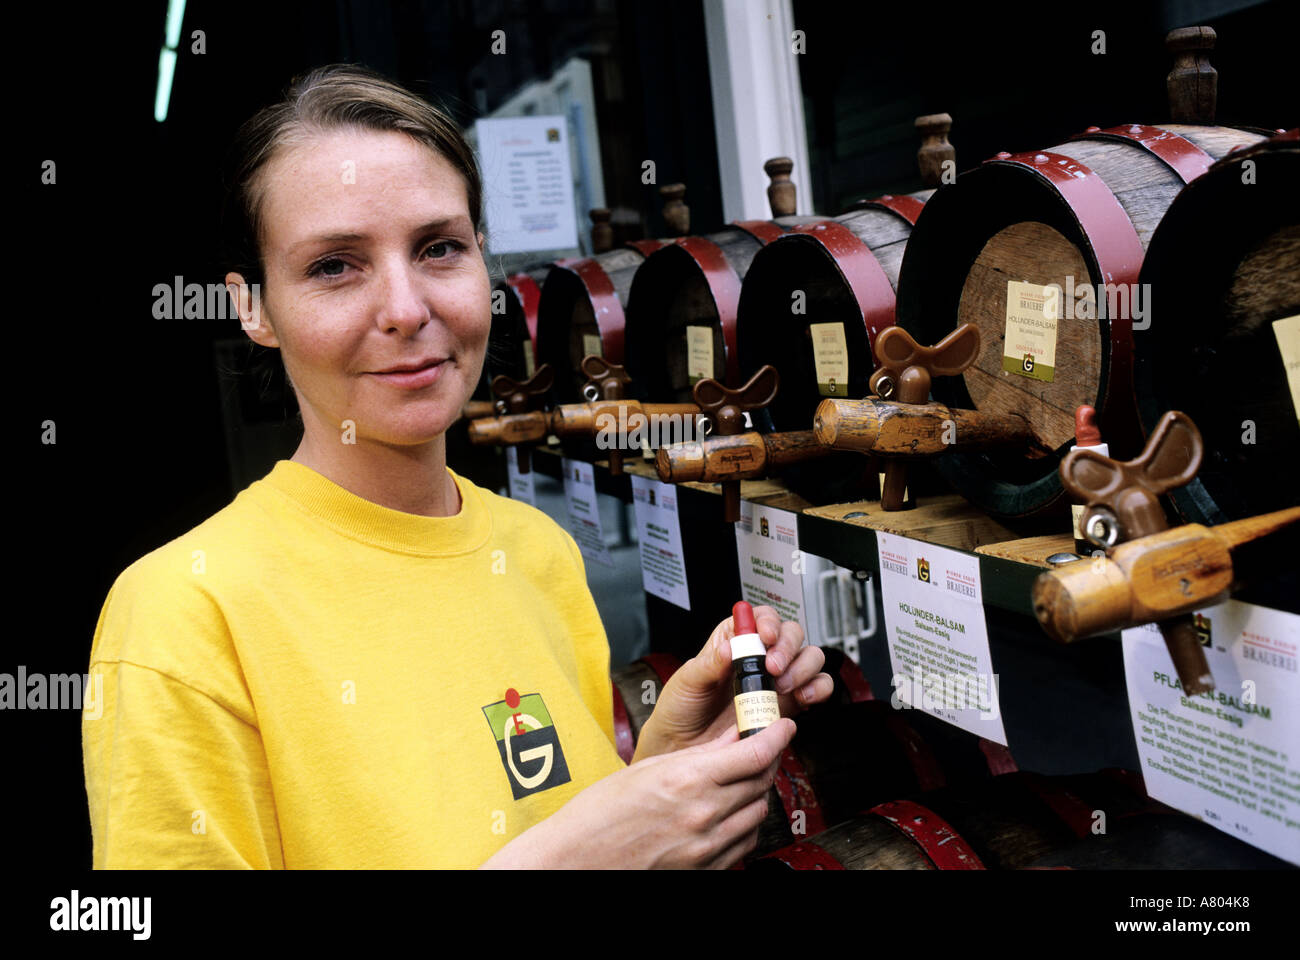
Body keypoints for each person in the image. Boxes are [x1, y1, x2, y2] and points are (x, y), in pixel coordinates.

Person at [81, 64, 833, 869]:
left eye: (439, 248)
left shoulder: (534, 548)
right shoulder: (182, 614)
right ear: (253, 308)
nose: (407, 310)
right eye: (335, 265)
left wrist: (662, 781)